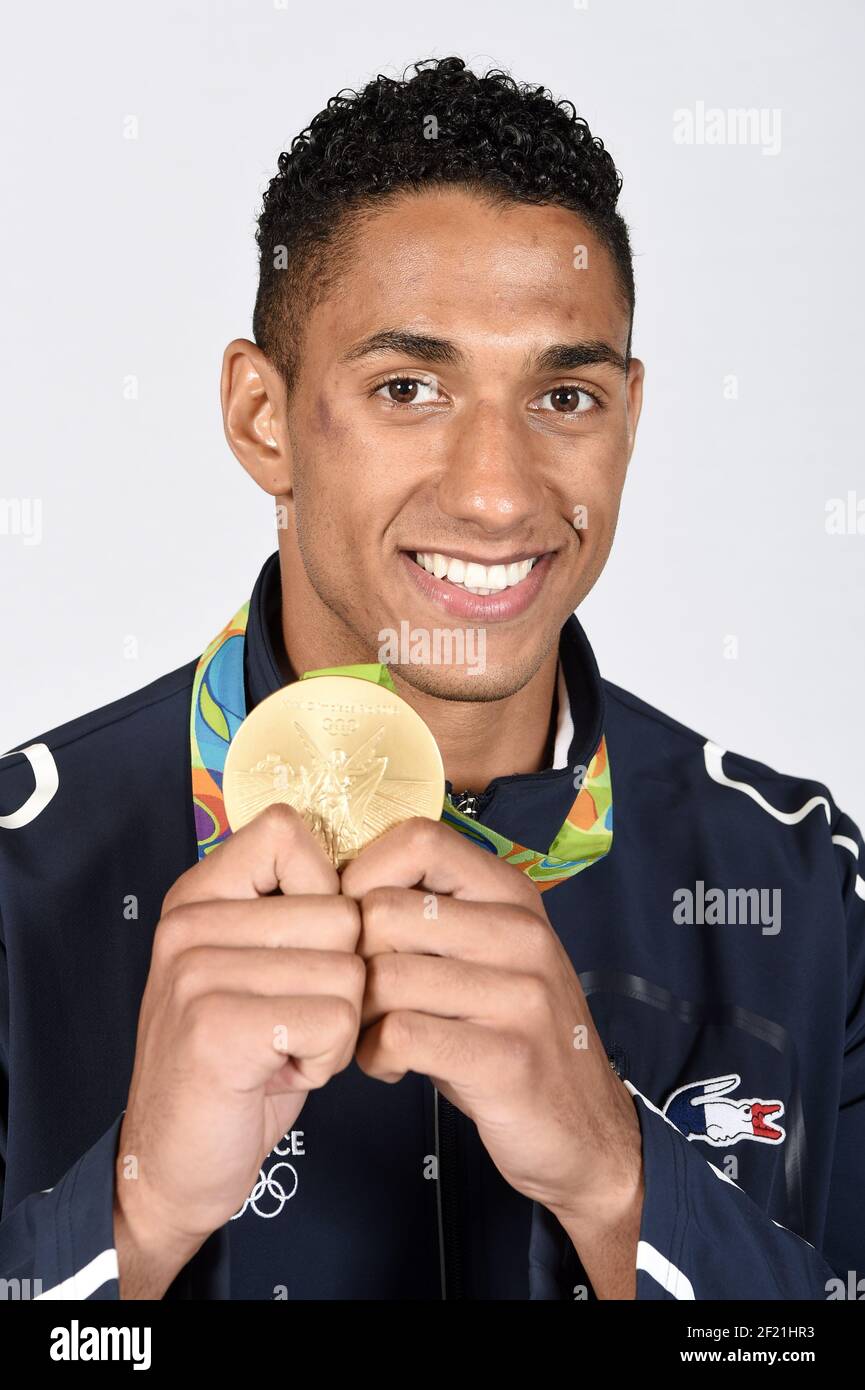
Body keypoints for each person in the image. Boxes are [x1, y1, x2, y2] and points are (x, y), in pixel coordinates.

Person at [0, 56, 862, 1302]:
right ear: (262, 418)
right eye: (409, 388)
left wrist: (626, 1189)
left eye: (564, 393)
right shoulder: (21, 880)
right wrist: (130, 1215)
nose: (499, 493)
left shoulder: (799, 885)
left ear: (628, 417)